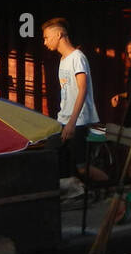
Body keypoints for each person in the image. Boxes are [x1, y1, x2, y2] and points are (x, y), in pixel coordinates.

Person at [42, 18, 101, 181]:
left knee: (82, 168)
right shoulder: (63, 60)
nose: (45, 42)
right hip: (64, 119)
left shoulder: (77, 57)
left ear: (59, 34)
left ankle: (113, 189)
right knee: (53, 158)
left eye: (46, 37)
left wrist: (72, 123)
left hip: (78, 121)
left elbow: (83, 89)